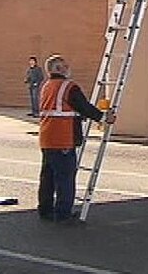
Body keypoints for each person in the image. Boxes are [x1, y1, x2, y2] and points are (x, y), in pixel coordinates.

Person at [37, 54, 115, 225]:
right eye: (64, 65)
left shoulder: (46, 86)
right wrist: (102, 117)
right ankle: (63, 213)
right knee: (65, 177)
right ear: (58, 68)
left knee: (48, 177)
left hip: (47, 138)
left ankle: (45, 210)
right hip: (62, 139)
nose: (68, 68)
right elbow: (83, 106)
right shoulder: (68, 87)